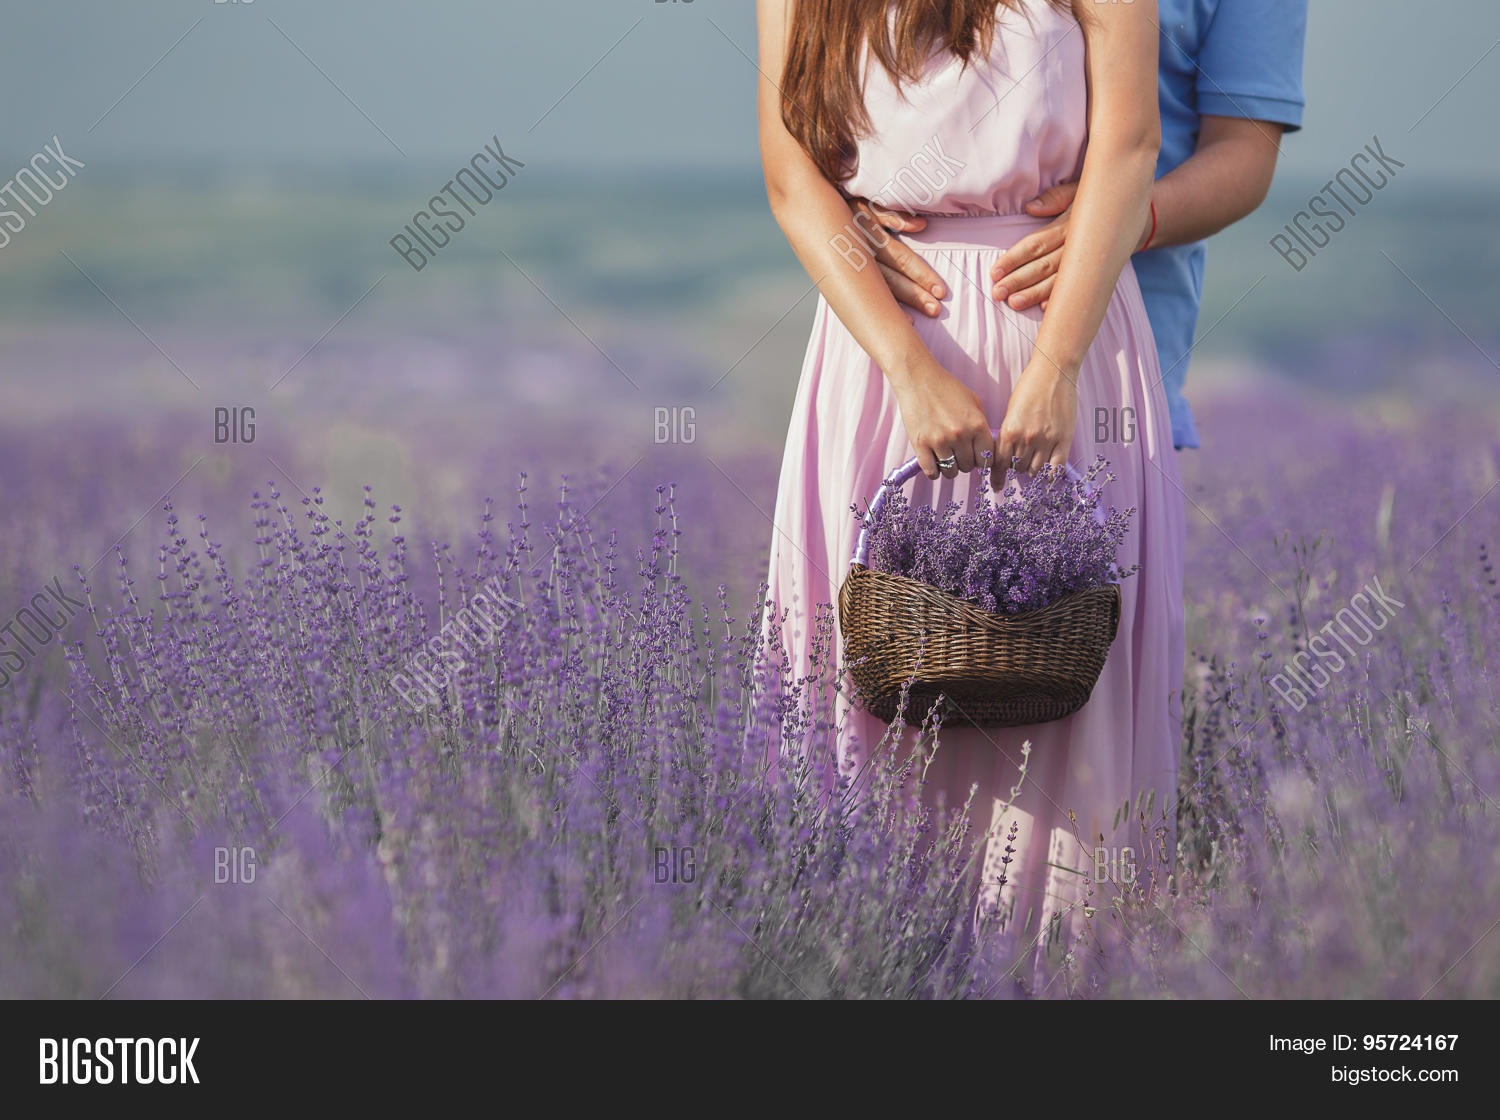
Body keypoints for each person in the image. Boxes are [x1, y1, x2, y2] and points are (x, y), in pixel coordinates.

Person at [756, 0, 1184, 982]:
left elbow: (1129, 147)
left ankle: (1070, 986)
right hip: (875, 347)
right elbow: (792, 175)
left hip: (1061, 326)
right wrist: (907, 366)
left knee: (1073, 689)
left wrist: (1062, 363)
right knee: (865, 680)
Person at [849, 0, 1309, 450]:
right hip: (901, 332)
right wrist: (848, 214)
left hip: (1126, 334)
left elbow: (1245, 152)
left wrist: (1115, 221)